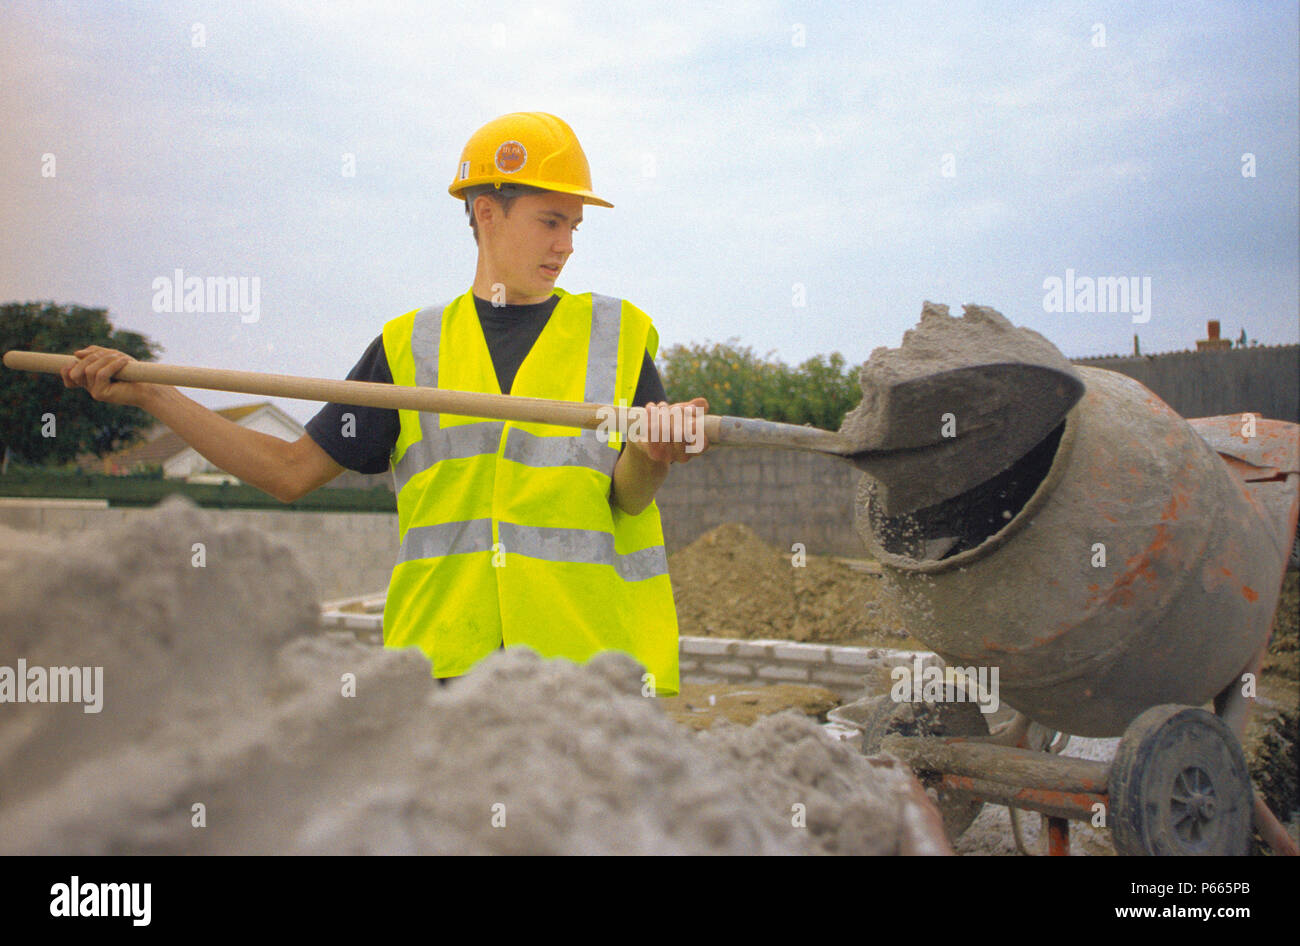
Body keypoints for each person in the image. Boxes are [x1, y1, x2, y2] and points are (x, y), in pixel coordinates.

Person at [61, 111, 707, 695]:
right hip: (441, 672)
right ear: (487, 212)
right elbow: (290, 471)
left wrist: (654, 454)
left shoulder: (613, 338)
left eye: (573, 225)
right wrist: (153, 393)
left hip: (579, 672)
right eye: (550, 220)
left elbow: (629, 495)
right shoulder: (408, 350)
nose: (567, 244)